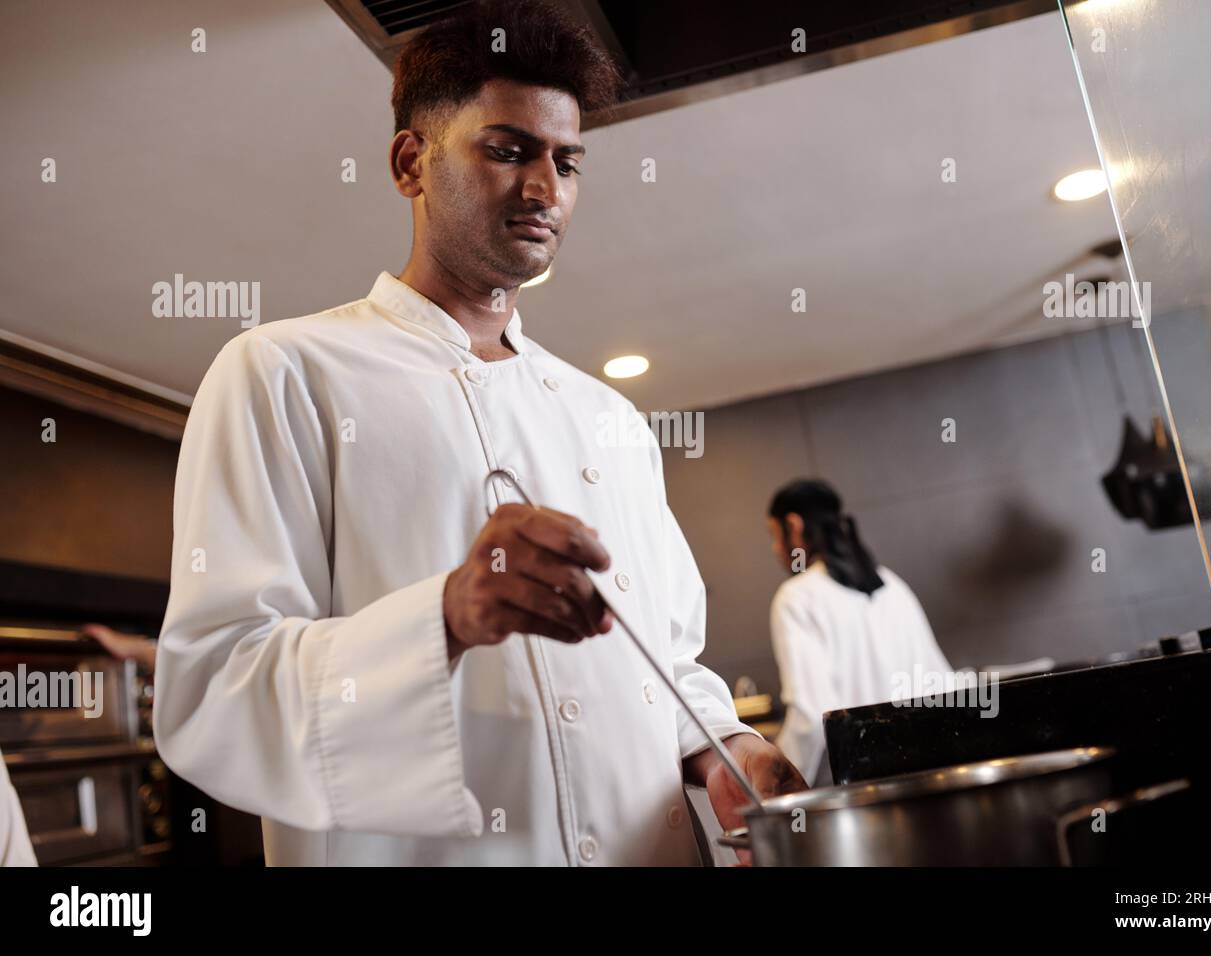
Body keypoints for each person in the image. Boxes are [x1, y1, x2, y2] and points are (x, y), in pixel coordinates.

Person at [155, 0, 805, 866]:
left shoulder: (606, 417)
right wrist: (446, 618)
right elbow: (212, 697)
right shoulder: (281, 373)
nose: (545, 190)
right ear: (408, 162)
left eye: (566, 162)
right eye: (507, 151)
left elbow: (666, 661)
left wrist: (725, 750)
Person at [766, 479, 952, 785]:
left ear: (794, 526)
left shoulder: (796, 598)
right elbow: (943, 686)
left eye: (773, 536)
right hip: (930, 780)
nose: (776, 550)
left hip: (862, 792)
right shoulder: (892, 585)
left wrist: (776, 786)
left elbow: (809, 719)